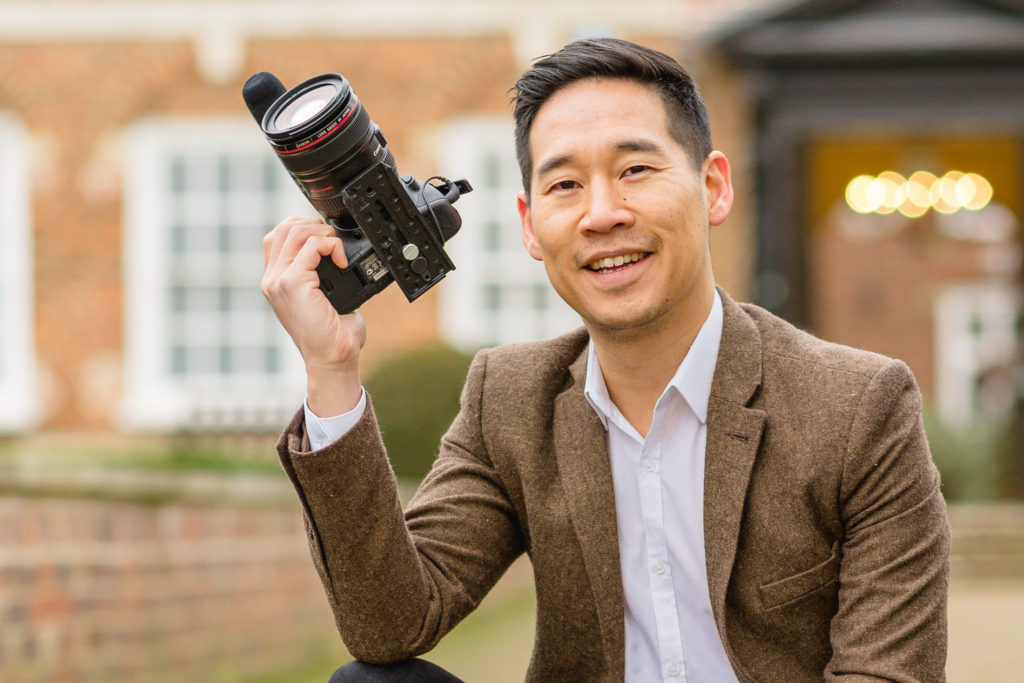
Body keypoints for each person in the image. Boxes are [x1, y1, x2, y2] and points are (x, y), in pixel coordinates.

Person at [261, 37, 950, 682]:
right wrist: (331, 370)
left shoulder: (857, 406)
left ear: (713, 187)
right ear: (531, 226)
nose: (601, 214)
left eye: (635, 170)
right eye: (565, 185)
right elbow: (389, 625)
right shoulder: (510, 399)